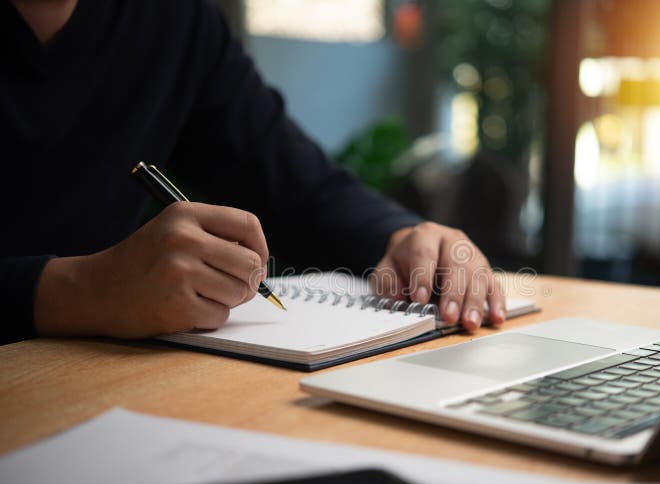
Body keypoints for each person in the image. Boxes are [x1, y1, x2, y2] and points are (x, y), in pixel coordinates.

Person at [0, 0, 506, 345]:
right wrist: (81, 290)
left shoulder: (172, 20)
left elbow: (297, 185)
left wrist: (401, 237)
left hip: (96, 386)